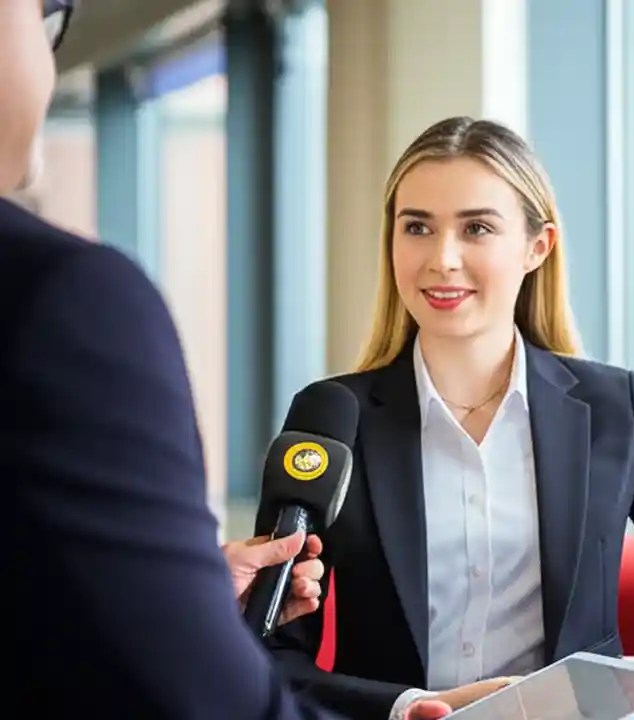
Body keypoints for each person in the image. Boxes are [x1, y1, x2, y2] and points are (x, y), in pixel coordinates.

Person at [1, 3, 453, 719]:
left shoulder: (609, 403)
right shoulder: (61, 300)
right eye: (45, 14)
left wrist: (184, 599)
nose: (444, 259)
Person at [258, 116, 634, 720]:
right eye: (417, 227)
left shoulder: (610, 409)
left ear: (537, 247)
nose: (442, 259)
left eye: (477, 228)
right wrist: (412, 707)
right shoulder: (332, 418)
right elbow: (270, 649)